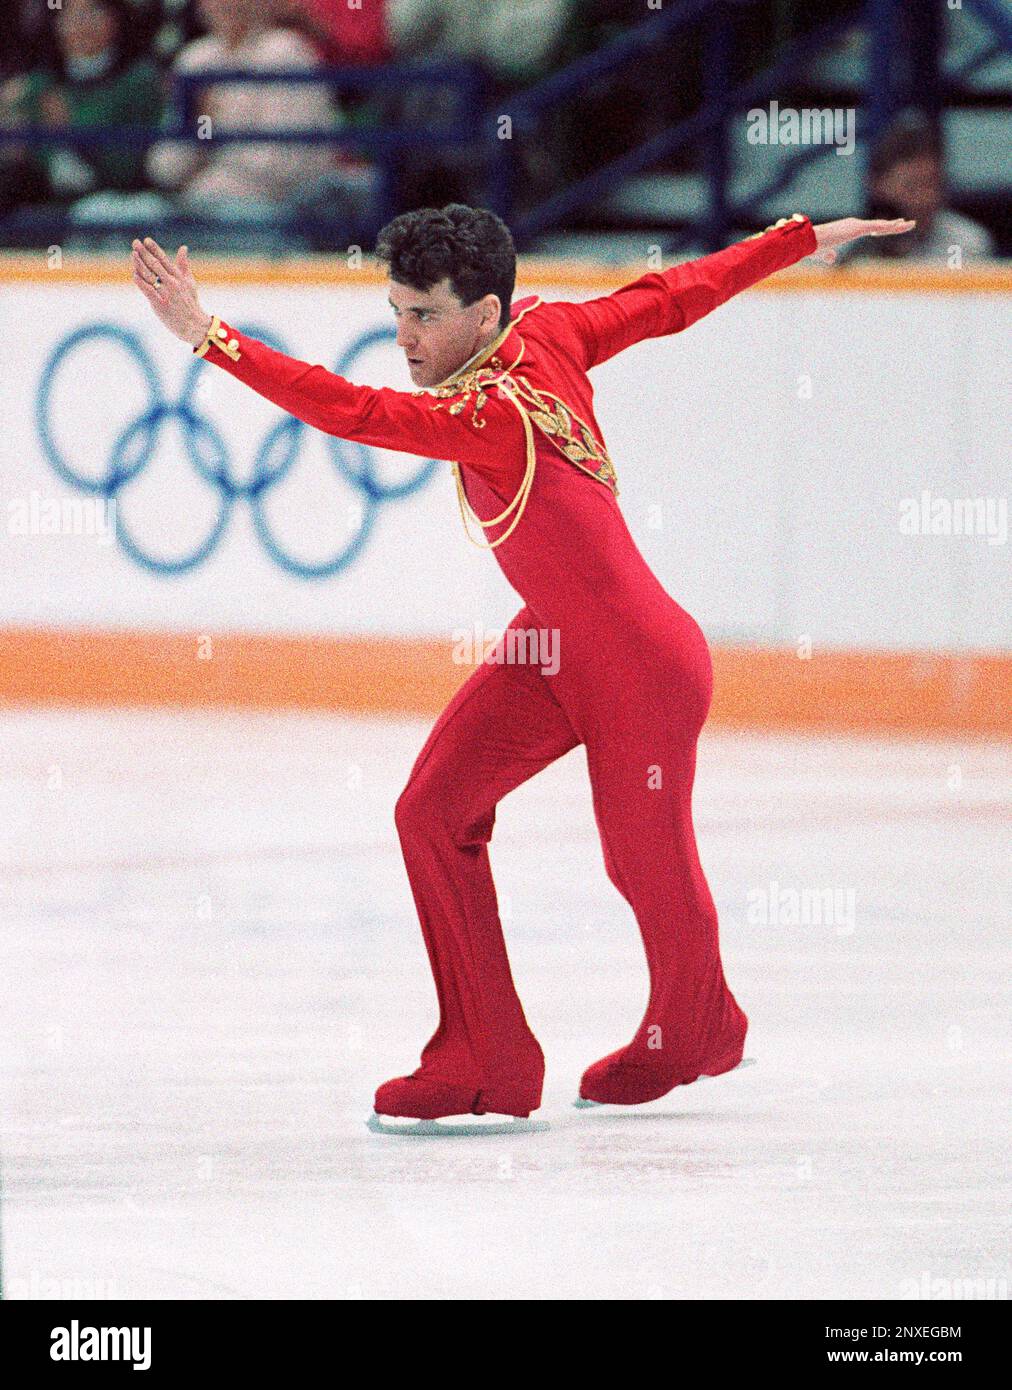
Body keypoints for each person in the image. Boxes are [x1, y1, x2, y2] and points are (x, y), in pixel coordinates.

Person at [130, 205, 913, 1124]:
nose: (404, 337)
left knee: (640, 862)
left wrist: (211, 337)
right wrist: (796, 239)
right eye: (396, 311)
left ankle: (696, 1026)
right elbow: (668, 296)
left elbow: (355, 411)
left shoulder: (492, 413)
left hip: (641, 668)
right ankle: (485, 1057)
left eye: (424, 315)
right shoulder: (553, 333)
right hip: (553, 648)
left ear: (489, 313)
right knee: (432, 811)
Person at [147, 0, 339, 204]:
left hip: (281, 208)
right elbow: (164, 168)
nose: (225, 5)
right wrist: (202, 121)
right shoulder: (196, 59)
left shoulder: (284, 52)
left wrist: (207, 174)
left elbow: (282, 164)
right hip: (202, 200)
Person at [0, 0, 162, 215]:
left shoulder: (139, 81)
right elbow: (23, 153)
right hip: (42, 200)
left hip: (116, 201)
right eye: (70, 15)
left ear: (115, 19)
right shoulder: (37, 84)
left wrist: (69, 133)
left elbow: (130, 166)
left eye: (93, 12)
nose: (81, 25)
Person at [845, 110, 994, 263]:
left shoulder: (968, 243)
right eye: (911, 187)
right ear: (877, 185)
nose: (925, 198)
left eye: (932, 184)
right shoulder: (846, 249)